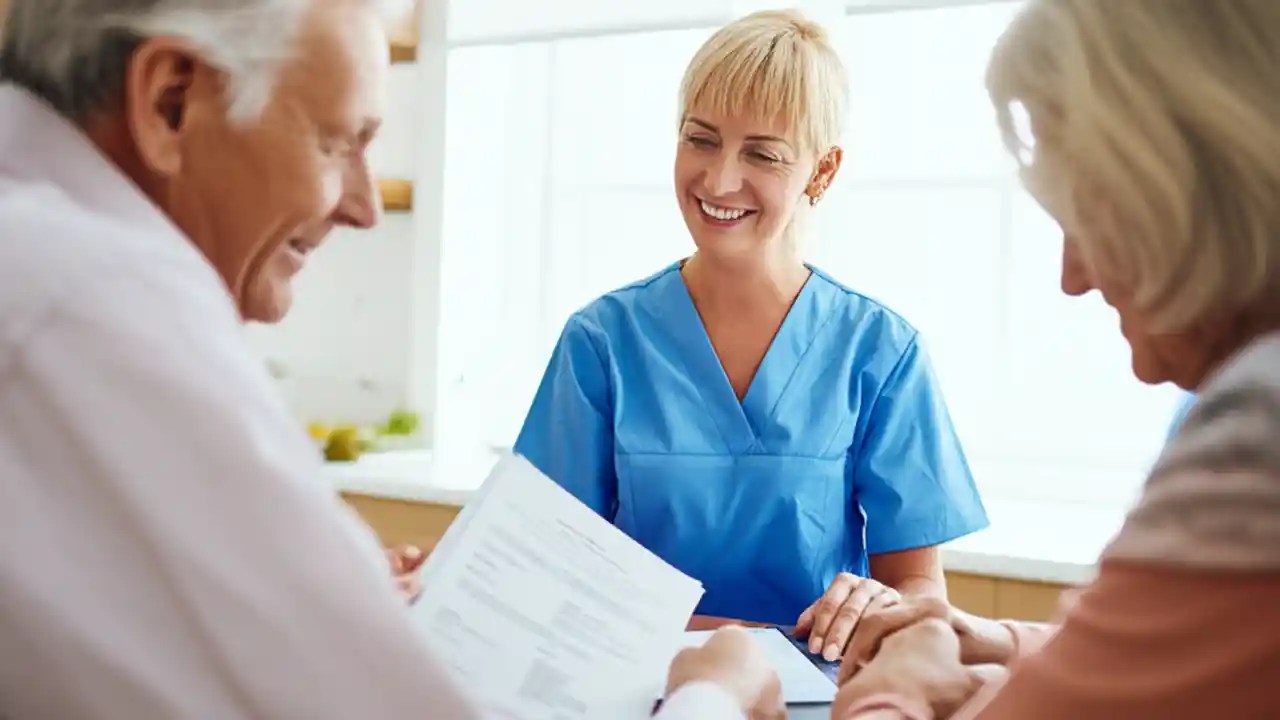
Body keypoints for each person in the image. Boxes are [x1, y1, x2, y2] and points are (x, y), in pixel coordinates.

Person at [0, 0, 775, 717]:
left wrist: (311, 598)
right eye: (338, 141)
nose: (365, 206)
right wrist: (715, 695)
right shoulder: (107, 300)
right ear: (171, 101)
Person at [827, 1, 1280, 717]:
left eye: (1085, 214)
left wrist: (895, 689)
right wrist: (1001, 642)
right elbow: (1181, 657)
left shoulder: (1259, 426)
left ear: (1179, 192)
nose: (1073, 276)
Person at [513, 10, 988, 650]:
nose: (719, 179)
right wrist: (730, 641)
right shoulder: (601, 343)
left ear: (822, 172)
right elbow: (542, 564)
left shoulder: (879, 352)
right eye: (701, 140)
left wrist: (881, 602)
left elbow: (919, 590)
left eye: (762, 154)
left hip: (817, 693)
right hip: (632, 687)